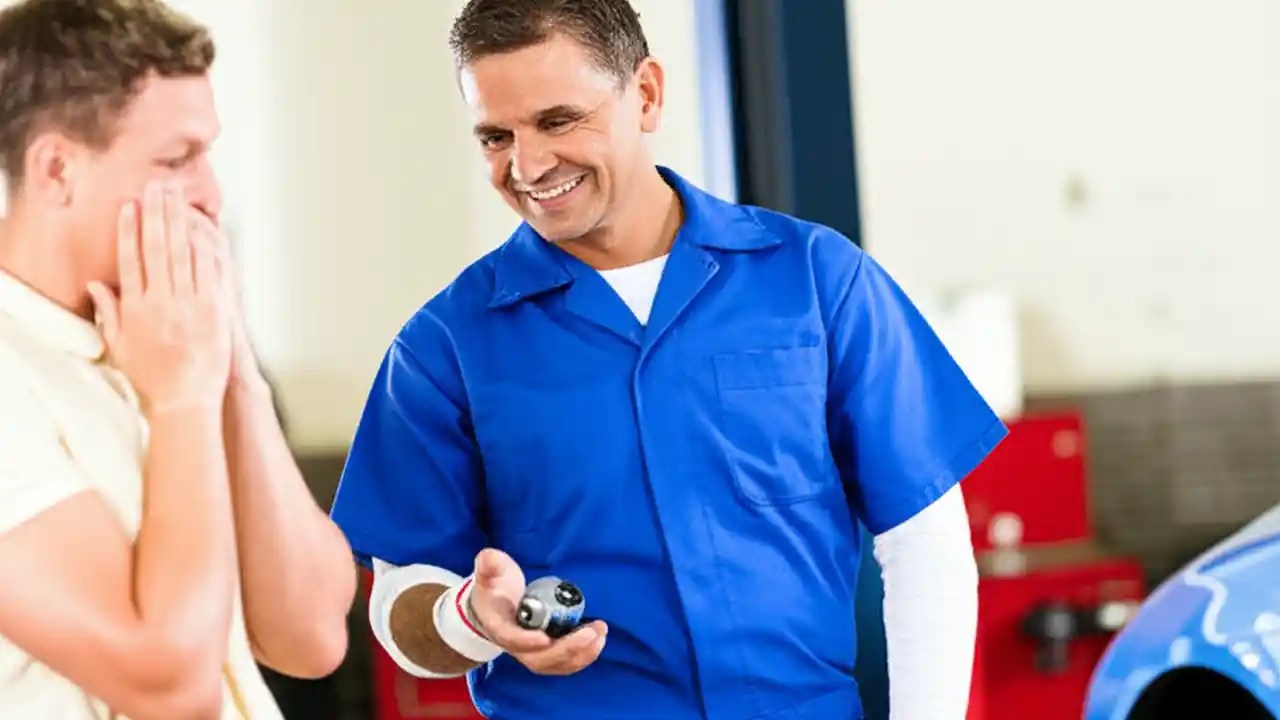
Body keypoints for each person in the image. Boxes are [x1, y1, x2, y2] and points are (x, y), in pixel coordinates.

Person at [329, 0, 1006, 717]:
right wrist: (466, 617)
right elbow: (400, 595)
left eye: (559, 120)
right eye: (497, 136)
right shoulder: (445, 346)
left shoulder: (816, 280)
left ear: (646, 93)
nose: (527, 166)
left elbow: (924, 543)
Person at [0, 1, 357, 718]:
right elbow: (171, 686)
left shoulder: (160, 344)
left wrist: (232, 371)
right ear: (58, 169)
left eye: (209, 154)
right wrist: (183, 400)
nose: (210, 195)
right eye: (176, 159)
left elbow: (310, 636)